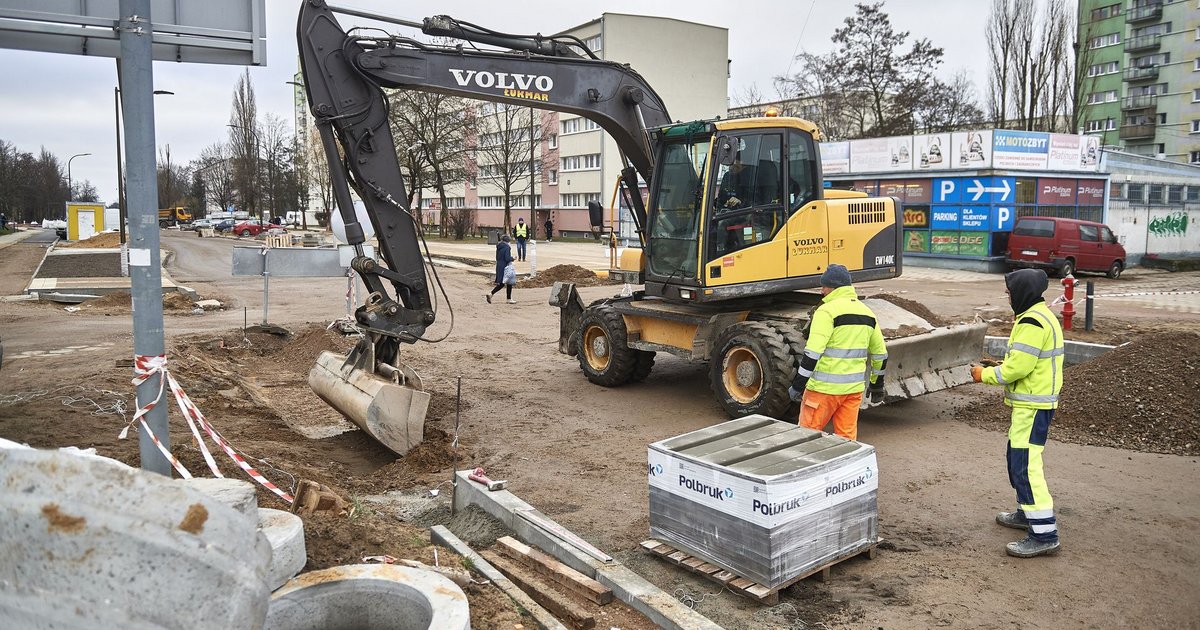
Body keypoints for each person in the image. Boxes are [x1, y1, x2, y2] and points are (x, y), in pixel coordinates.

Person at [971, 268, 1063, 558]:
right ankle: (1027, 513)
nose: (1008, 297)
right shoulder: (1035, 317)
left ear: (1021, 292)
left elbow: (1019, 369)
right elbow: (1024, 362)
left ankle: (1044, 534)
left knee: (1026, 465)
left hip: (1032, 406)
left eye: (1010, 292)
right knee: (1017, 458)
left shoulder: (1033, 322)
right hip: (1030, 405)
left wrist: (983, 375)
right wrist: (998, 364)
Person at [788, 264, 887, 441]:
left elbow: (812, 353)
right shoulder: (867, 313)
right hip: (852, 391)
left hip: (823, 390)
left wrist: (798, 385)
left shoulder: (826, 311)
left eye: (823, 286)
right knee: (846, 440)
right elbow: (880, 354)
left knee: (805, 438)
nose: (821, 291)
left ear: (831, 287)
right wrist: (877, 385)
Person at [487, 234, 516, 304]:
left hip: (499, 265)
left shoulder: (499, 246)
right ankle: (492, 294)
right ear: (508, 241)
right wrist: (513, 258)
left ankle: (508, 298)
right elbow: (507, 258)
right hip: (505, 267)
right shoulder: (507, 247)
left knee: (505, 283)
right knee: (506, 282)